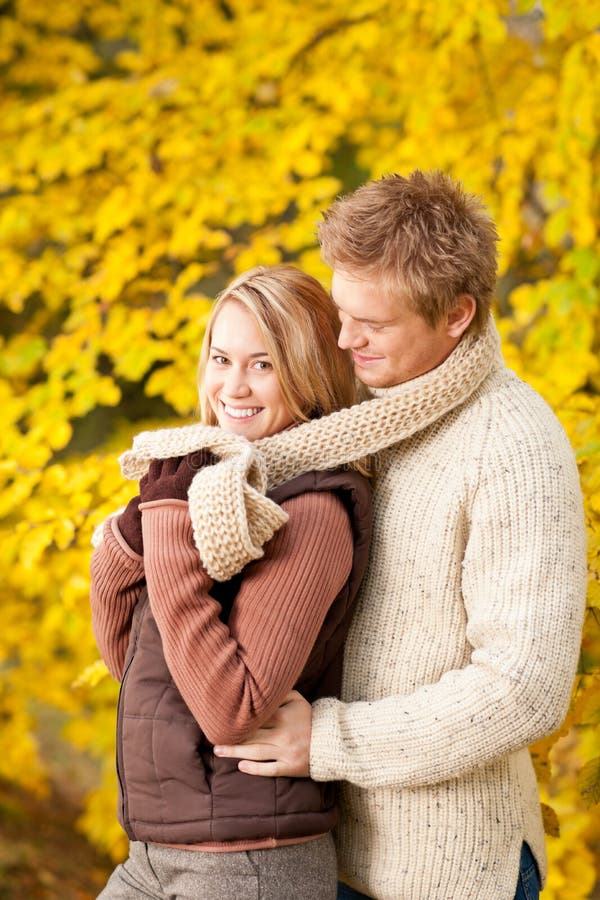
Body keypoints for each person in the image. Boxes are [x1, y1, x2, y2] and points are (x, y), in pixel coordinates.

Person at [209, 172, 588, 900]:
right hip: (317, 846)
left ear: (455, 316)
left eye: (372, 325)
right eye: (343, 313)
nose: (345, 339)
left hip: (444, 870)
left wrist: (327, 740)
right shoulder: (360, 404)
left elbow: (524, 688)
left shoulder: (512, 446)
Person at [90, 265, 372, 900]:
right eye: (221, 358)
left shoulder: (312, 510)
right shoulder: (225, 495)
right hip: (157, 851)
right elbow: (136, 668)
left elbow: (229, 711)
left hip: (250, 865)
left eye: (263, 365)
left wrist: (166, 523)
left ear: (310, 373)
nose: (233, 385)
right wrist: (129, 543)